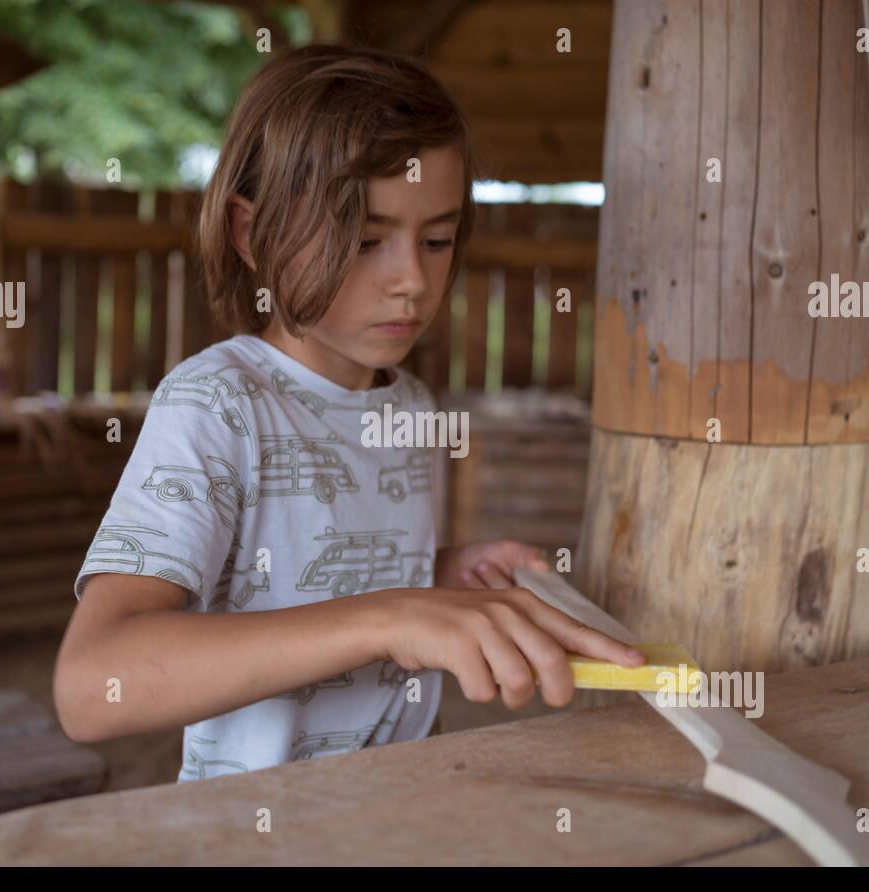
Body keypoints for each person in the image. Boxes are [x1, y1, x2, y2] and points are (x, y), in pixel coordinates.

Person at [53, 44, 643, 782]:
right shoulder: (218, 405)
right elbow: (90, 686)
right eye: (366, 240)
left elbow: (308, 575)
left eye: (436, 240)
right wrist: (392, 615)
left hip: (395, 816)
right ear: (250, 233)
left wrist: (437, 579)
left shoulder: (411, 408)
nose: (412, 281)